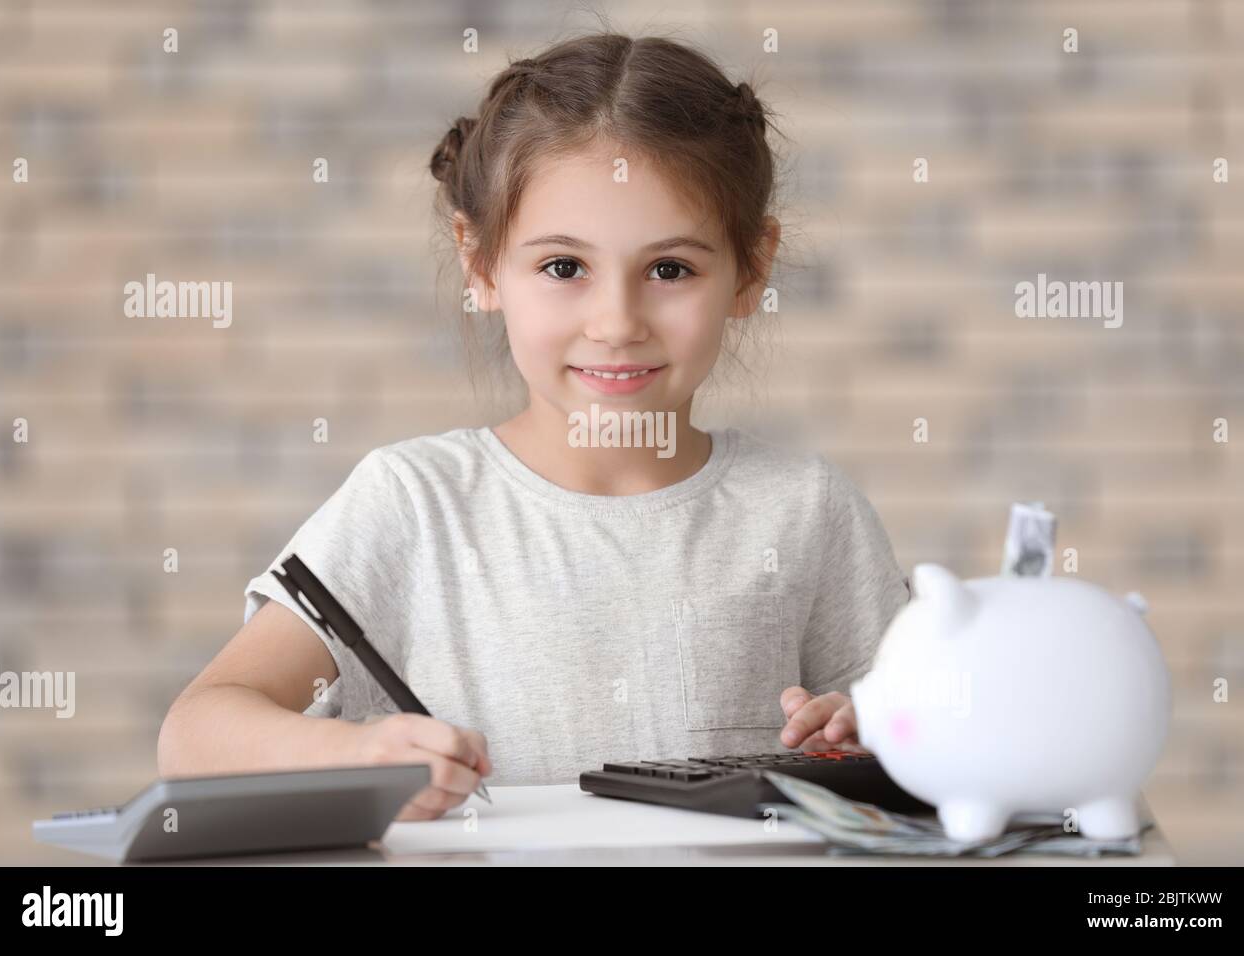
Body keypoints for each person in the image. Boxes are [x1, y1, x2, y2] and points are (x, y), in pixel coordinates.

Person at [157, 30, 910, 822]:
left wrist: (885, 744)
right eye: (563, 268)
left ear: (750, 271)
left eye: (669, 269)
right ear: (481, 265)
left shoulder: (806, 510)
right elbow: (194, 737)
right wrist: (350, 754)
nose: (616, 322)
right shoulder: (413, 505)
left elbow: (934, 740)